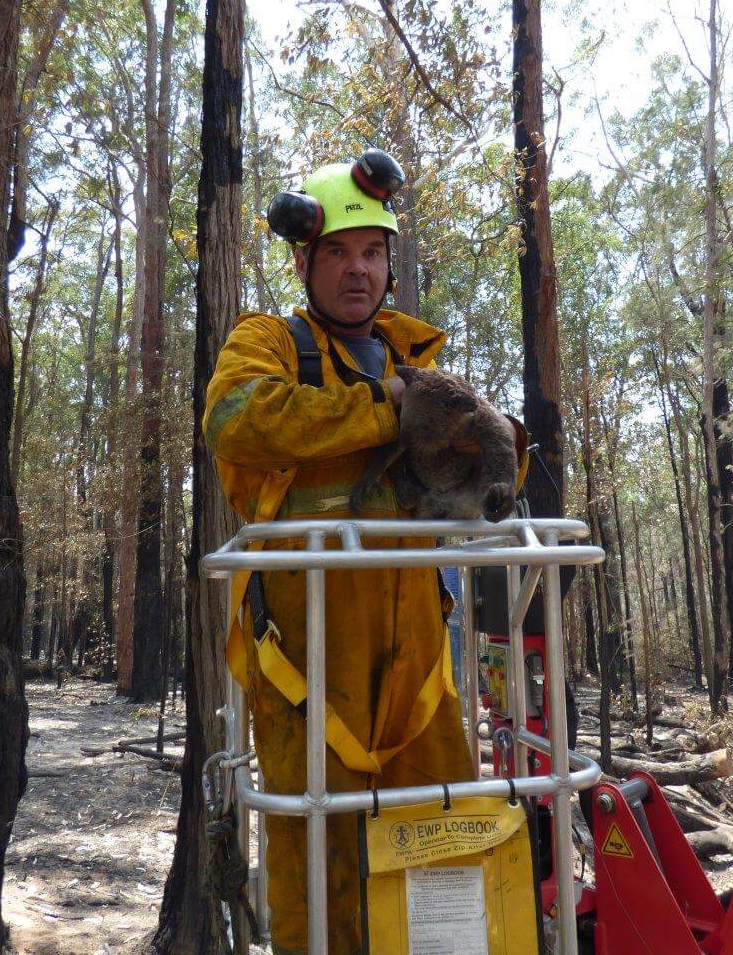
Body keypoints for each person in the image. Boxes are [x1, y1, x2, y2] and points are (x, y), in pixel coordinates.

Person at [202, 150, 525, 955]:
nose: (359, 270)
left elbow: (480, 482)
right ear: (304, 259)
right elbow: (237, 420)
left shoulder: (424, 369)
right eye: (340, 253)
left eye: (373, 252)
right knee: (321, 884)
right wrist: (386, 412)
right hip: (306, 676)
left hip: (420, 674)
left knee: (441, 873)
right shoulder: (268, 342)